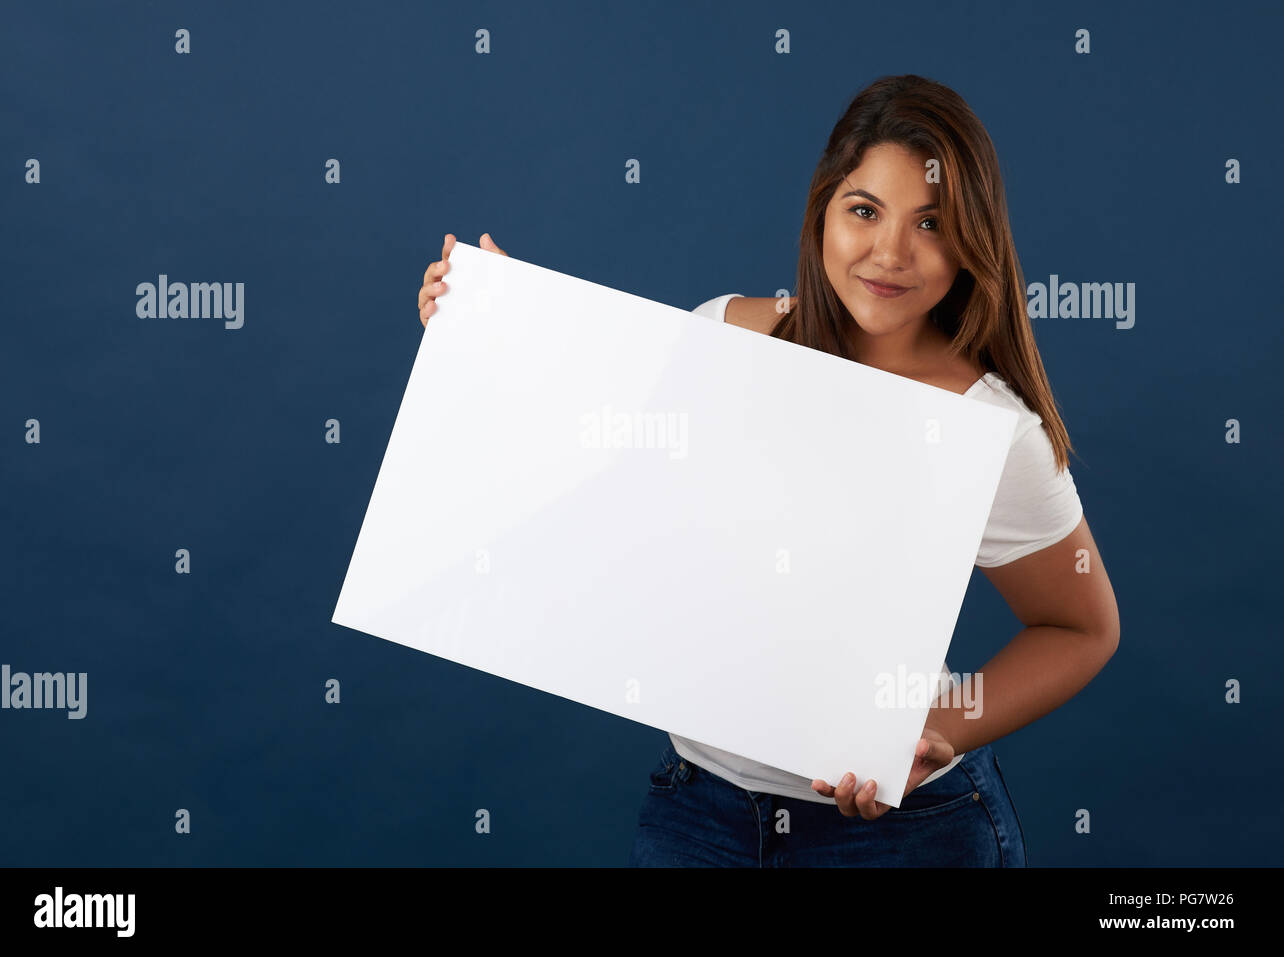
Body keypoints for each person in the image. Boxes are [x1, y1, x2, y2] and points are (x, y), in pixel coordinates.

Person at [417, 74, 1120, 867]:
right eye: (864, 210)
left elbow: (1082, 627)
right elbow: (599, 475)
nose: (891, 252)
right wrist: (497, 326)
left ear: (972, 242)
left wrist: (937, 730)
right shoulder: (726, 335)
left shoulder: (988, 425)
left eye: (932, 223)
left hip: (906, 833)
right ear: (823, 207)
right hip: (698, 811)